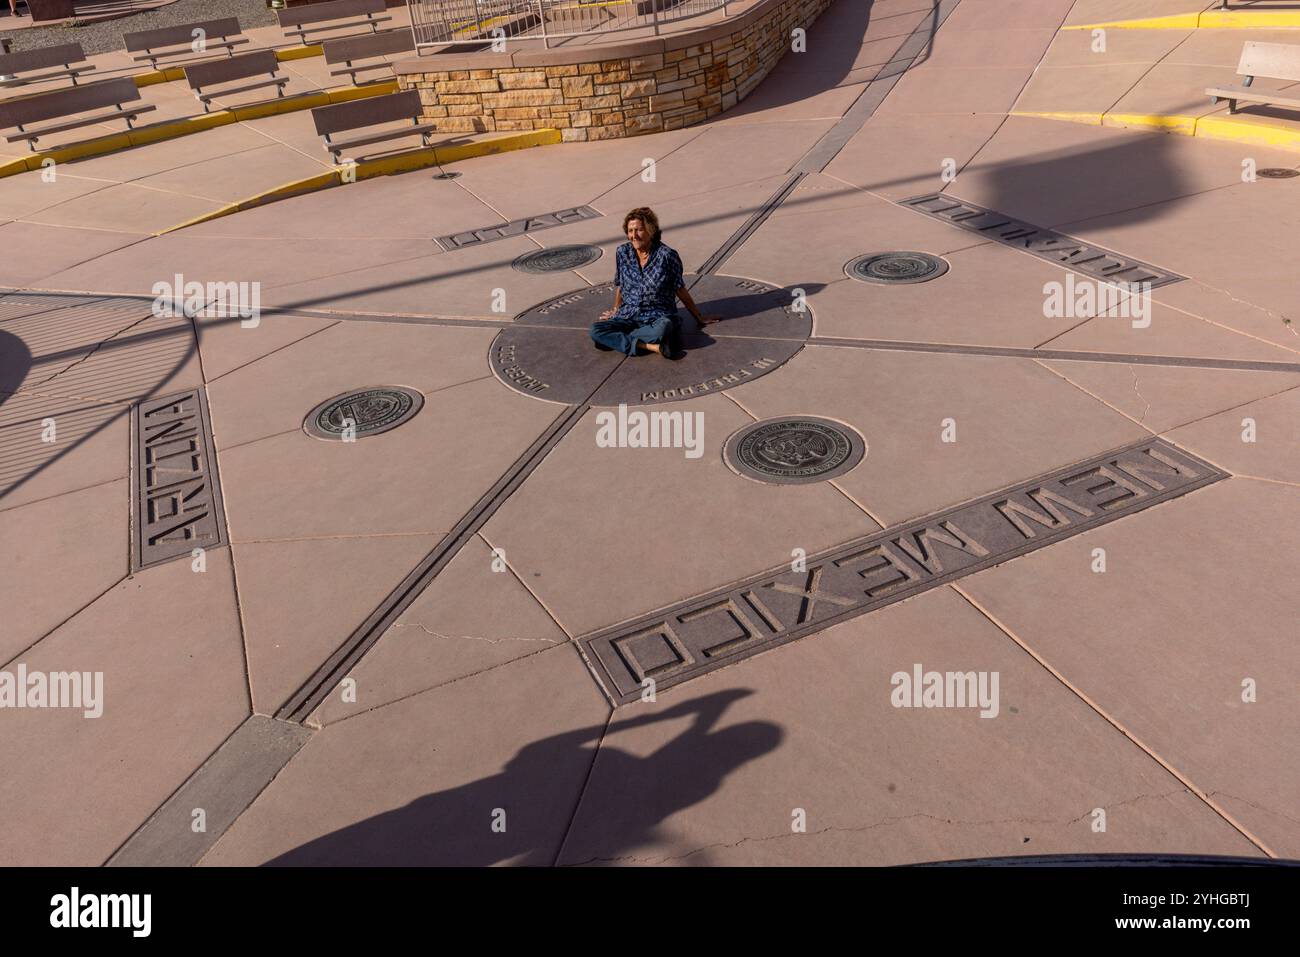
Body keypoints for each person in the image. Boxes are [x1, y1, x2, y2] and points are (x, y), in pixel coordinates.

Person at [589, 207, 718, 359]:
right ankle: (650, 346)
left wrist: (698, 317)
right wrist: (616, 309)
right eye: (630, 231)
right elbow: (621, 284)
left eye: (639, 230)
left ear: (651, 230)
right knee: (595, 330)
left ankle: (616, 340)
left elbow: (679, 289)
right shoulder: (622, 252)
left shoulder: (667, 256)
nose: (634, 236)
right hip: (628, 316)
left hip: (657, 317)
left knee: (664, 328)